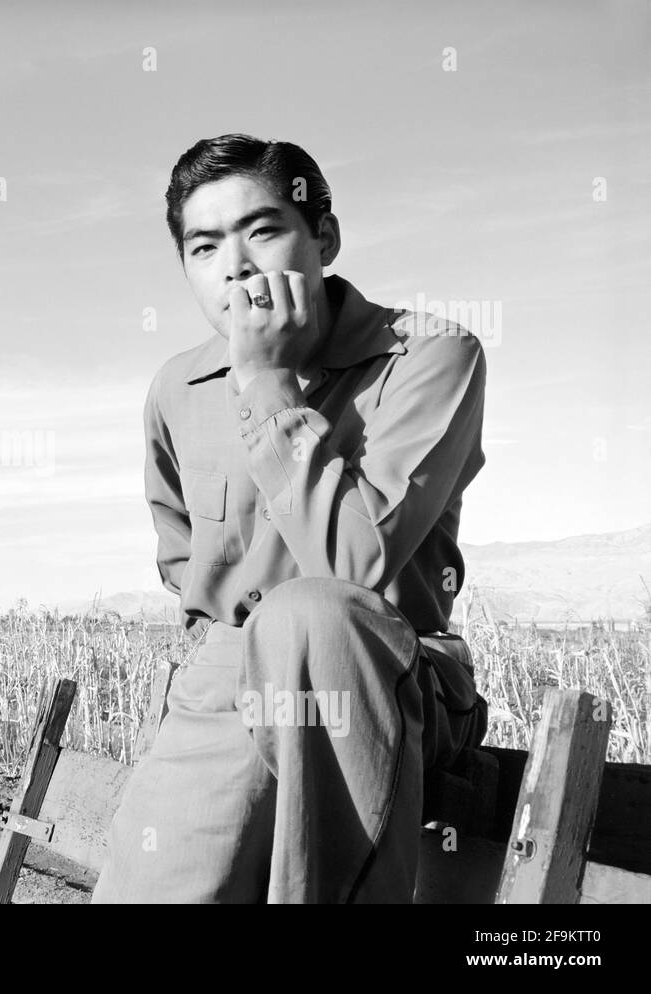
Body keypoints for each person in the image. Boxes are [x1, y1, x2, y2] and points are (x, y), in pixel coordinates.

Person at [91, 134, 489, 904]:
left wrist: (269, 383)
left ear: (325, 239)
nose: (235, 266)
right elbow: (184, 566)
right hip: (229, 682)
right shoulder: (177, 388)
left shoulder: (430, 356)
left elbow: (355, 570)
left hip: (391, 676)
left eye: (263, 231)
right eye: (204, 247)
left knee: (312, 615)